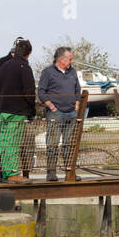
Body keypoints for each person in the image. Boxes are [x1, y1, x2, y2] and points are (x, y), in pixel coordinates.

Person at [37, 46, 81, 180]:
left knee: (70, 144)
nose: (71, 62)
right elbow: (41, 92)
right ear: (61, 59)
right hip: (55, 113)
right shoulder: (47, 72)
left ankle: (70, 172)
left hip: (71, 113)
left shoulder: (73, 72)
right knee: (52, 144)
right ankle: (51, 173)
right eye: (70, 59)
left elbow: (77, 90)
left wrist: (77, 106)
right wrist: (51, 106)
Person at [0, 39, 36, 182]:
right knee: (14, 143)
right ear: (28, 54)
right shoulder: (24, 67)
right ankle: (13, 174)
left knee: (4, 142)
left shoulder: (4, 66)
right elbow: (29, 91)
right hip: (18, 111)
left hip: (4, 110)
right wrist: (32, 110)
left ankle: (7, 172)